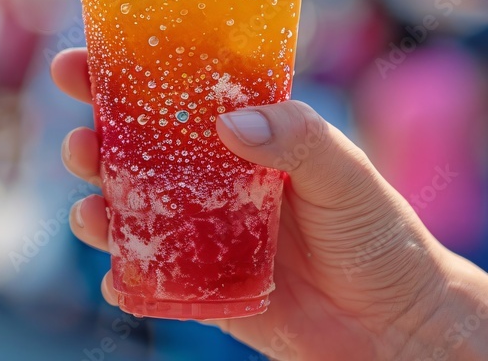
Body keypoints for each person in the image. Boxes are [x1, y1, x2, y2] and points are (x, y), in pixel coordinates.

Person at [51, 48, 488, 360]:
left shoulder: (393, 80)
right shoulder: (463, 77)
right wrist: (419, 315)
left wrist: (419, 313)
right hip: (455, 220)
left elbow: (381, 141)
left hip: (414, 220)